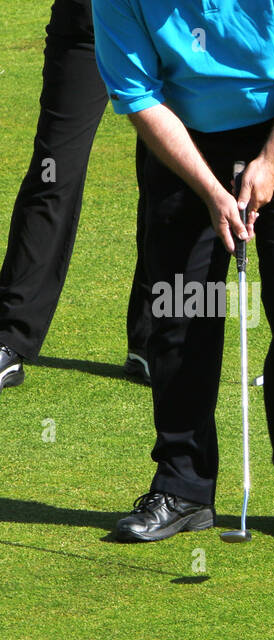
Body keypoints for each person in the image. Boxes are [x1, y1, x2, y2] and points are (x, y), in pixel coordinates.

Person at [92, 0, 274, 542]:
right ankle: (183, 486)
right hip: (186, 141)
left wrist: (271, 161)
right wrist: (211, 190)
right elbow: (138, 93)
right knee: (181, 309)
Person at [0, 0, 153, 394]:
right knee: (53, 173)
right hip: (88, 22)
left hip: (171, 27)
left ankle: (155, 339)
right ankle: (10, 338)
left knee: (171, 181)